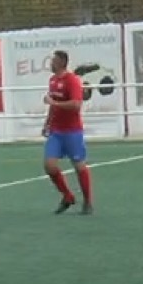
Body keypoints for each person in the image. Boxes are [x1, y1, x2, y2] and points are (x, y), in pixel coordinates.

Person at [42, 50, 93, 215]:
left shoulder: (72, 80)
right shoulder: (53, 80)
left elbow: (76, 105)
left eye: (53, 61)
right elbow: (53, 104)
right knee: (49, 166)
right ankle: (68, 196)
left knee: (79, 166)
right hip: (56, 131)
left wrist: (54, 103)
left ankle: (88, 201)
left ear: (61, 62)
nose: (51, 63)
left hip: (72, 131)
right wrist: (47, 122)